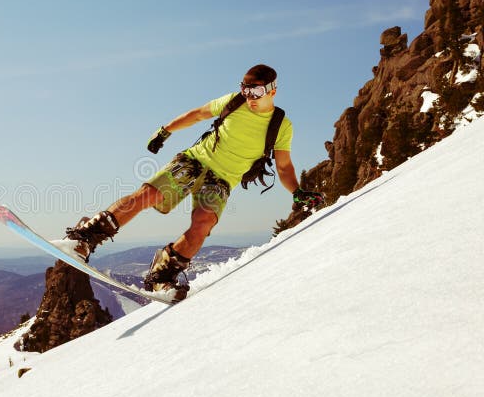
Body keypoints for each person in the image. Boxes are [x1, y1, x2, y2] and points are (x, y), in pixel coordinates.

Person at [55, 64, 324, 301]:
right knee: (147, 196)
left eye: (255, 92)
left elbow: (284, 166)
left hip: (221, 180)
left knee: (203, 224)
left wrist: (297, 192)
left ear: (272, 90)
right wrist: (165, 131)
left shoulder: (281, 125)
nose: (249, 97)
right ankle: (84, 238)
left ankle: (163, 273)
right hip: (194, 162)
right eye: (245, 90)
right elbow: (197, 114)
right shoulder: (234, 102)